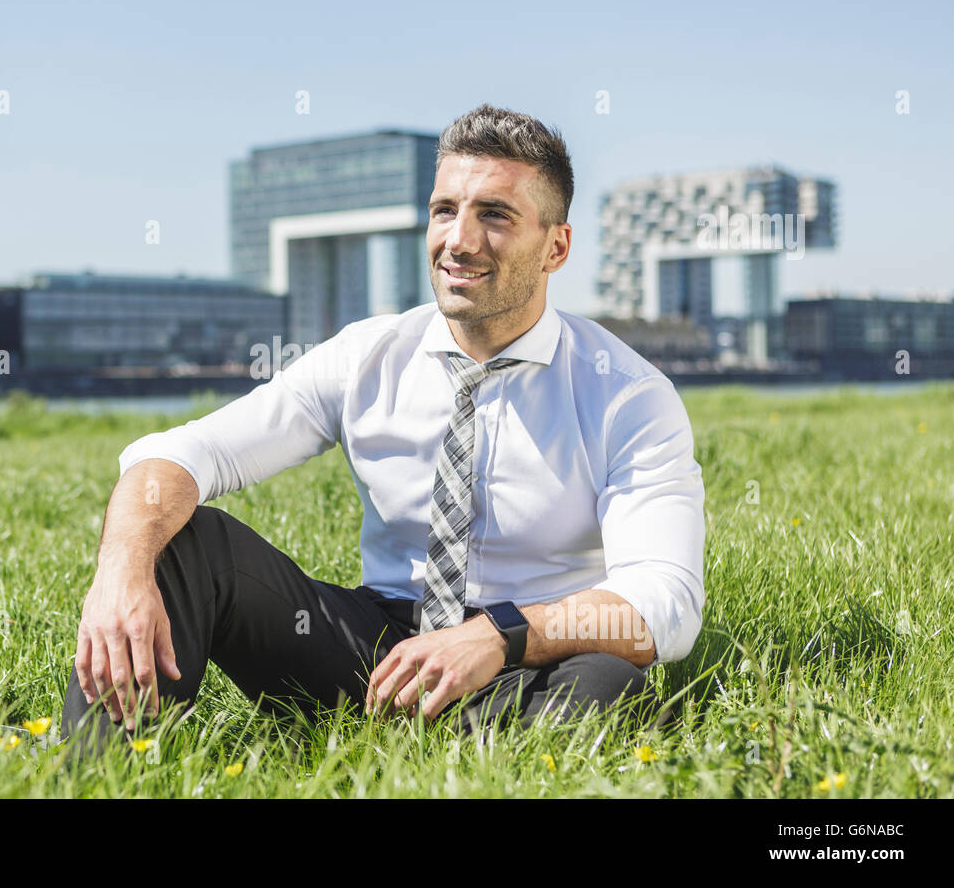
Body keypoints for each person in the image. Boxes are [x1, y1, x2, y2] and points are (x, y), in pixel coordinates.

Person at [59, 104, 705, 755]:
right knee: (180, 541)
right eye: (444, 209)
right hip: (373, 653)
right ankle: (95, 773)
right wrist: (122, 569)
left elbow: (663, 601)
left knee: (610, 684)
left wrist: (496, 635)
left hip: (529, 658)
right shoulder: (368, 355)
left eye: (495, 216)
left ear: (556, 247)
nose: (459, 239)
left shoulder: (625, 393)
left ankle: (462, 751)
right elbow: (188, 453)